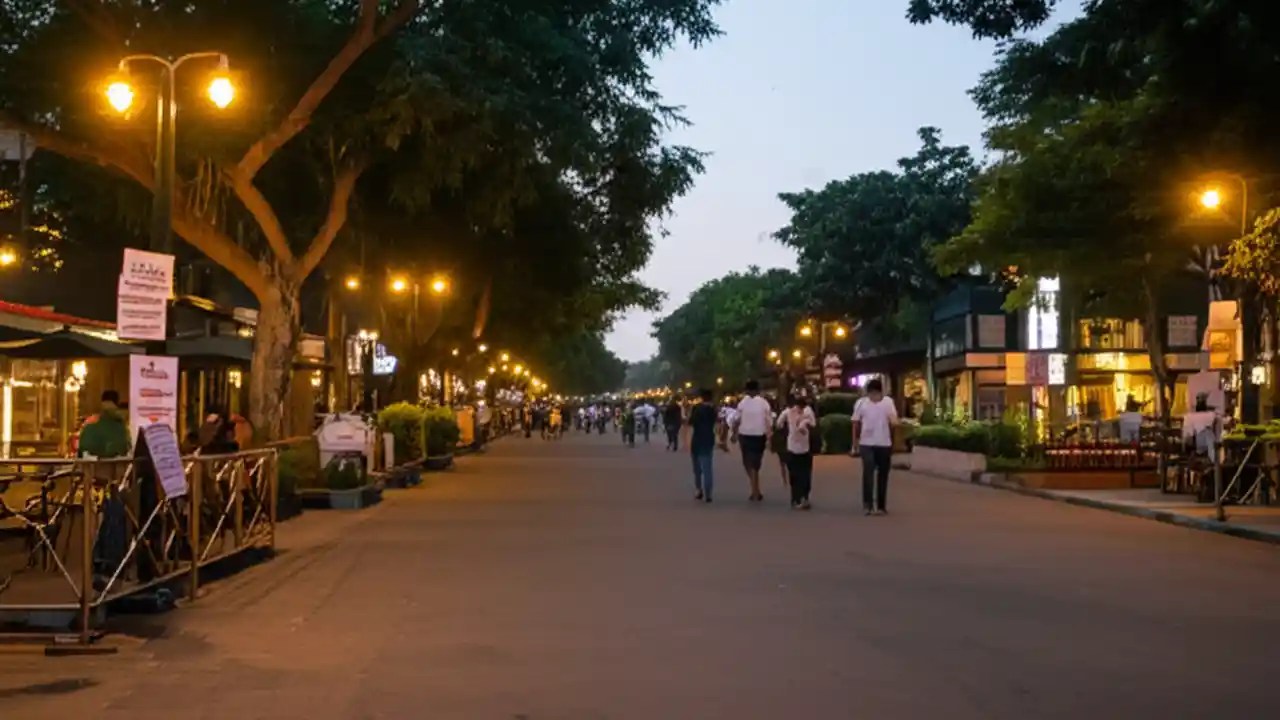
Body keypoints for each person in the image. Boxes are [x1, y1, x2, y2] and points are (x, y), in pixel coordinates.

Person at [852, 378, 899, 515]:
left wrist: (895, 425)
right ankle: (867, 504)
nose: (874, 397)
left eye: (876, 394)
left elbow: (893, 421)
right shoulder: (861, 403)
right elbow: (855, 423)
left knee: (883, 475)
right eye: (871, 394)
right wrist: (854, 443)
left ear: (881, 393)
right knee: (868, 472)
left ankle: (881, 505)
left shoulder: (888, 403)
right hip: (866, 443)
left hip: (884, 443)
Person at [732, 380, 772, 502]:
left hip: (745, 435)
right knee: (756, 463)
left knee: (748, 463)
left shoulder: (742, 403)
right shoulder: (764, 403)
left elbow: (736, 420)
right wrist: (770, 436)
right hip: (760, 435)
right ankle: (756, 489)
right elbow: (769, 421)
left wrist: (734, 433)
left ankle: (755, 490)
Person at [777, 396, 817, 509]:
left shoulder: (795, 411)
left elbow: (779, 424)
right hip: (799, 448)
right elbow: (779, 423)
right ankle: (800, 498)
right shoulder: (795, 412)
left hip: (799, 448)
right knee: (802, 475)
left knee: (798, 475)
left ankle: (800, 498)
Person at [78, 390, 131, 459]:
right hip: (116, 466)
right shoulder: (121, 425)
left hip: (93, 466)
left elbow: (82, 449)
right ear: (117, 403)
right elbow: (125, 448)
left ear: (102, 402)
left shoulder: (91, 422)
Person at [688, 388, 718, 502]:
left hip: (697, 439)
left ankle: (698, 490)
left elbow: (690, 422)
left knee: (697, 468)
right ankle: (708, 494)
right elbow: (716, 424)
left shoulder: (696, 408)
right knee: (707, 468)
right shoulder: (713, 410)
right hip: (708, 438)